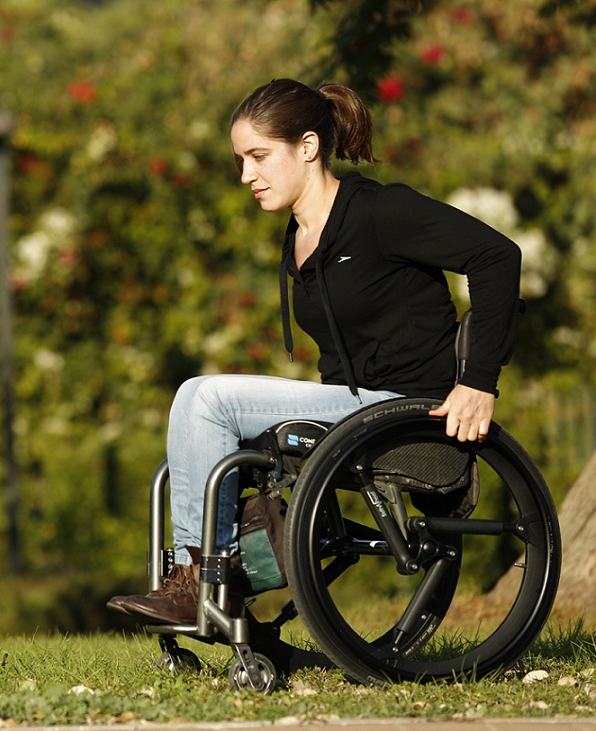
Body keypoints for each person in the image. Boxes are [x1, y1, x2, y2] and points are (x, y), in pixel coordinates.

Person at [108, 78, 521, 625]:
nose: (246, 175)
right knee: (200, 429)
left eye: (258, 157)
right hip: (354, 408)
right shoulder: (298, 237)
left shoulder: (380, 211)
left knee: (204, 397)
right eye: (240, 160)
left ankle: (202, 580)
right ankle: (211, 576)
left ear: (307, 148)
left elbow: (497, 257)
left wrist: (478, 382)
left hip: (407, 410)